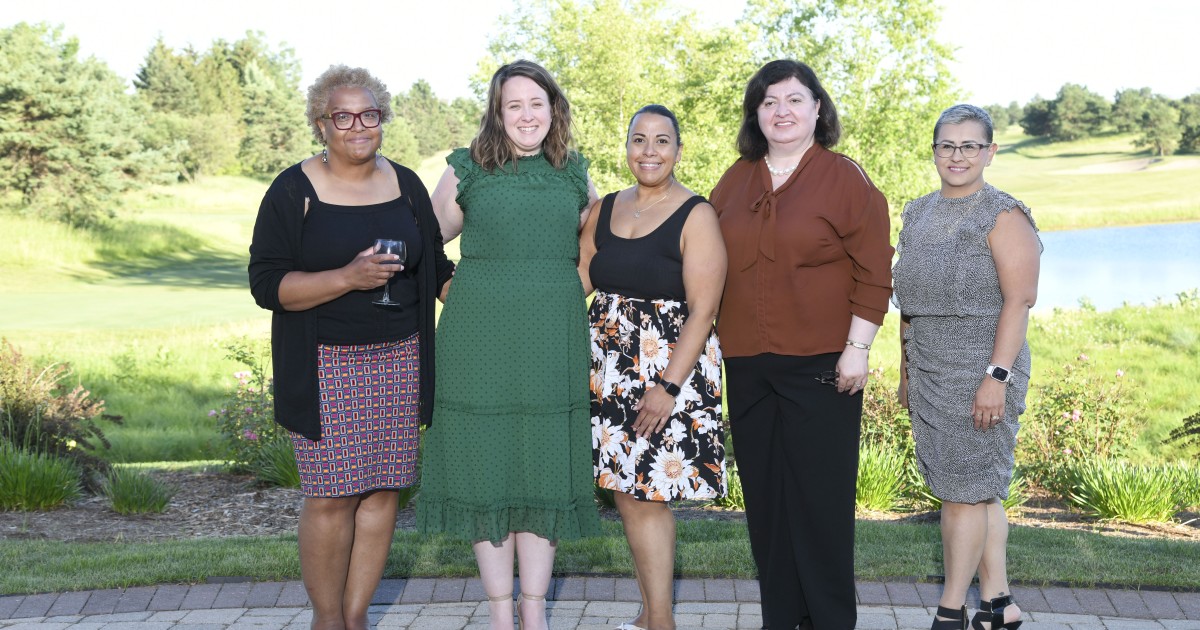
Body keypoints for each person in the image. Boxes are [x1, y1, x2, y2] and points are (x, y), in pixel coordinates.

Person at [248, 65, 454, 630]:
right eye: (343, 116)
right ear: (322, 123)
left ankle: (357, 616)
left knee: (385, 490)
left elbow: (435, 267)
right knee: (332, 494)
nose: (358, 126)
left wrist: (492, 298)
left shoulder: (407, 184)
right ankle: (326, 619)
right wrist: (346, 277)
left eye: (370, 114)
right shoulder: (294, 190)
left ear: (382, 119)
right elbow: (267, 285)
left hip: (400, 358)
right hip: (325, 364)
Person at [416, 59, 602, 630]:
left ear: (554, 109)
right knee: (487, 466)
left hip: (554, 338)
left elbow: (599, 247)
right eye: (513, 104)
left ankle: (535, 612)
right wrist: (452, 286)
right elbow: (423, 239)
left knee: (545, 465)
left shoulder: (574, 172)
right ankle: (500, 614)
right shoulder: (467, 168)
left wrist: (573, 291)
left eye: (536, 103)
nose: (526, 115)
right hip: (477, 339)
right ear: (497, 112)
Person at [709, 59, 894, 630]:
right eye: (768, 102)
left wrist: (857, 347)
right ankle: (780, 618)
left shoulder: (845, 178)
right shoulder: (736, 179)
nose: (781, 112)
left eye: (794, 100)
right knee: (765, 504)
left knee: (819, 505)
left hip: (821, 363)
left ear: (818, 108)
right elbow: (701, 255)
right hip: (746, 362)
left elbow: (875, 271)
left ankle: (831, 621)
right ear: (755, 114)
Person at [579, 104, 728, 630]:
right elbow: (579, 279)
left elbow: (704, 310)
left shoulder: (697, 214)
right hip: (609, 369)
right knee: (626, 493)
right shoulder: (605, 209)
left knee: (645, 497)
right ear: (626, 148)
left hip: (666, 370)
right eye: (638, 140)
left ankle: (660, 621)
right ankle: (649, 616)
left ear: (678, 150)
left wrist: (666, 386)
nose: (649, 151)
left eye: (662, 141)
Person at [893, 104, 1041, 630]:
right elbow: (907, 303)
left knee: (962, 495)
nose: (957, 155)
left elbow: (1018, 301)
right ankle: (1000, 606)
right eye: (947, 145)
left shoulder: (1003, 215)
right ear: (934, 150)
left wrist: (995, 378)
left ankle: (951, 611)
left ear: (990, 152)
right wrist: (907, 371)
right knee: (977, 491)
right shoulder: (917, 213)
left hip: (984, 371)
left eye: (970, 146)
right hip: (930, 368)